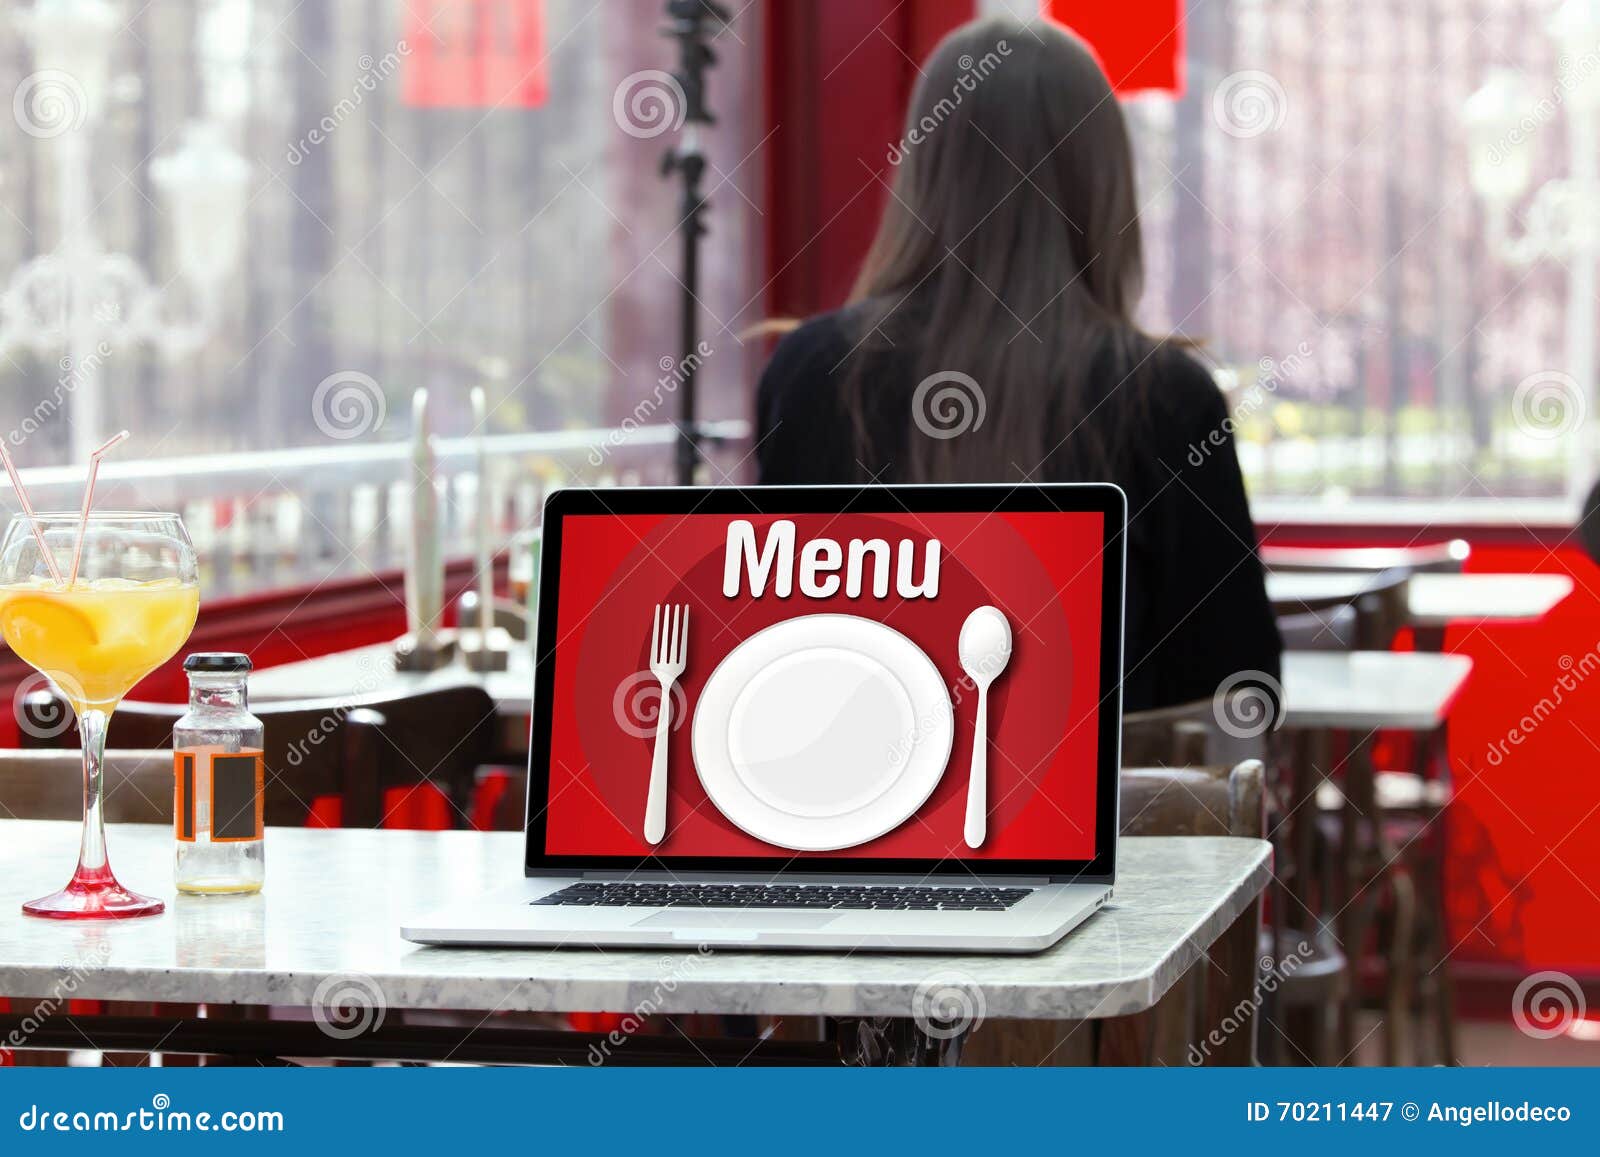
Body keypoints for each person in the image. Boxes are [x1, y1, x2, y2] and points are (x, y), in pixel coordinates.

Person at [755, 16, 1281, 713]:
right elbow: (1236, 680)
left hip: (851, 806)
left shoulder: (810, 372)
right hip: (1111, 818)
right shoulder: (1168, 399)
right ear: (1104, 184)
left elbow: (776, 642)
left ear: (923, 169)